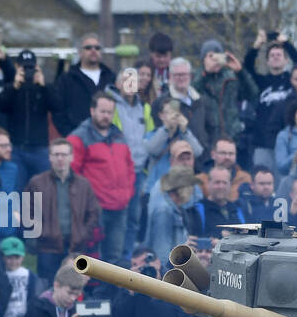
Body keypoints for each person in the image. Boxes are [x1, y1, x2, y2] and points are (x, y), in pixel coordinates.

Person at [69, 91, 134, 262]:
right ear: (92, 111)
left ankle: (112, 290)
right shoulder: (79, 138)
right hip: (94, 210)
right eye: (102, 111)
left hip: (120, 208)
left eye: (110, 112)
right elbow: (71, 174)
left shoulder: (118, 135)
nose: (106, 116)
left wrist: (127, 194)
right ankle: (88, 289)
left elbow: (129, 167)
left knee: (115, 258)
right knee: (91, 257)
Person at [27, 139, 102, 283]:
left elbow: (93, 213)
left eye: (64, 154)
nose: (60, 158)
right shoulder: (36, 183)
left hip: (75, 247)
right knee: (47, 287)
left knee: (76, 286)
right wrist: (39, 237)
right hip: (47, 247)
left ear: (71, 157)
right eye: (56, 154)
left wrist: (83, 235)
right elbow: (27, 213)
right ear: (50, 157)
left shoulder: (83, 184)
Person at [0, 49, 62, 186]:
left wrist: (44, 86)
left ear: (37, 68)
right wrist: (14, 87)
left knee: (42, 191)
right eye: (24, 68)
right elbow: (0, 106)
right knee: (15, 190)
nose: (28, 71)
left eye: (31, 67)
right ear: (18, 68)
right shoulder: (10, 87)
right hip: (16, 149)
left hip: (40, 149)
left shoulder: (43, 88)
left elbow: (58, 105)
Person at [105, 67, 154, 247]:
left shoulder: (145, 108)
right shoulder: (110, 106)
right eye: (126, 80)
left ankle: (127, 256)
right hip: (116, 173)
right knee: (117, 217)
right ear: (118, 84)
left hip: (139, 173)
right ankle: (113, 257)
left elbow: (150, 138)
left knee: (134, 217)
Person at [244, 29, 297, 171]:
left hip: (288, 142)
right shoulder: (260, 81)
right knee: (262, 183)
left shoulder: (293, 81)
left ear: (286, 60)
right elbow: (247, 68)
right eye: (272, 55)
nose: (276, 57)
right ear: (267, 61)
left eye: (279, 55)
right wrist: (257, 46)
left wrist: (286, 43)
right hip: (262, 143)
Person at [52, 34, 116, 137]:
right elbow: (58, 110)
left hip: (107, 139)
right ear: (79, 52)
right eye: (88, 47)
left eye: (97, 48)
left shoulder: (111, 78)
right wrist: (71, 135)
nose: (93, 50)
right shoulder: (67, 79)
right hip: (78, 139)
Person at [197, 39, 257, 145]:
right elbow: (191, 95)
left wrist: (240, 72)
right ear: (203, 59)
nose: (215, 61)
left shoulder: (232, 77)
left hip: (232, 139)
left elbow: (252, 94)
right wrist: (205, 73)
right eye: (211, 57)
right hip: (208, 140)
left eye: (218, 57)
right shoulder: (197, 77)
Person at [145, 166, 205, 261]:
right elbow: (161, 253)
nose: (193, 190)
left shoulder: (178, 209)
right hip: (165, 272)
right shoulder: (163, 211)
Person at [0, 236, 40, 317]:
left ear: (23, 257)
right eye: (9, 257)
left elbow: (32, 297)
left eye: (17, 257)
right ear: (2, 257)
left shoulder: (29, 275)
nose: (13, 261)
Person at [202, 163, 245, 229]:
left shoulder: (237, 210)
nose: (221, 186)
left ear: (230, 185)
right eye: (217, 182)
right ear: (208, 184)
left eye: (224, 182)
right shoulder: (197, 211)